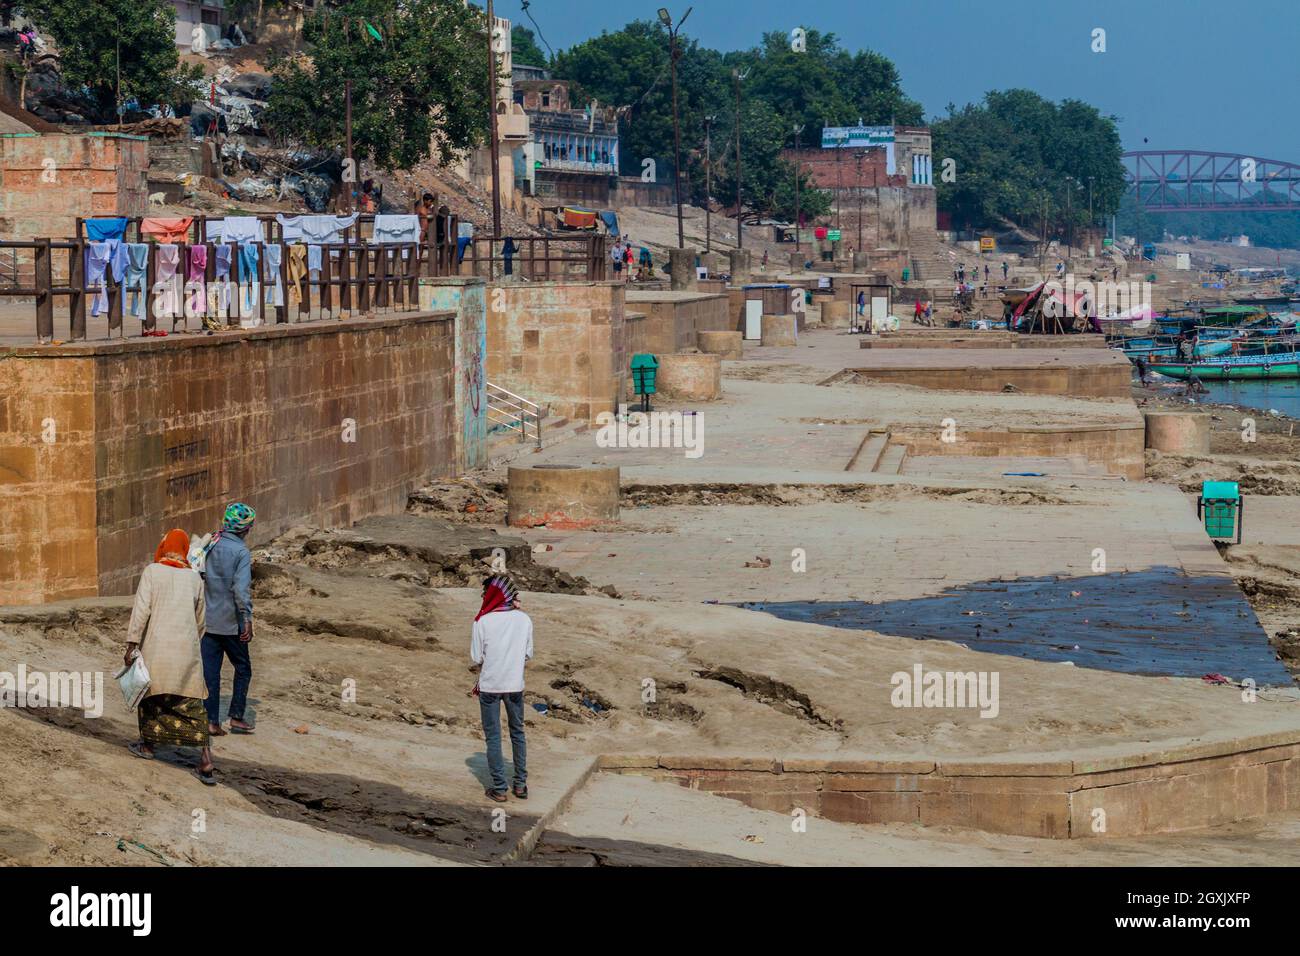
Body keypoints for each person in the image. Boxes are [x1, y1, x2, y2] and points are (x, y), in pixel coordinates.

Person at [124, 529, 215, 785]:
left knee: (151, 696)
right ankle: (206, 759)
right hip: (186, 650)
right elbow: (201, 621)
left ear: (164, 547)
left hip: (157, 647)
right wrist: (191, 643)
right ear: (185, 549)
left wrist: (131, 644)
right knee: (191, 704)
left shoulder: (153, 572)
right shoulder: (195, 578)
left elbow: (141, 610)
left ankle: (148, 747)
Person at [470, 574, 533, 802]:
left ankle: (499, 787)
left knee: (494, 736)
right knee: (518, 733)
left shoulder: (482, 621)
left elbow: (477, 657)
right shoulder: (524, 620)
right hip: (515, 685)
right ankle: (520, 784)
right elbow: (528, 654)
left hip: (490, 686)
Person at [202, 503, 256, 737]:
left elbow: (199, 574)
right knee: (243, 668)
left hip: (207, 620)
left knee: (210, 672)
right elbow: (240, 590)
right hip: (231, 623)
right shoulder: (241, 552)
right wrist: (247, 619)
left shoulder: (210, 543)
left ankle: (211, 721)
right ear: (246, 528)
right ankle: (236, 716)